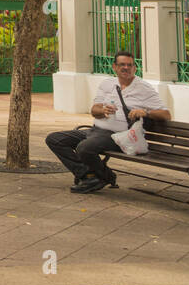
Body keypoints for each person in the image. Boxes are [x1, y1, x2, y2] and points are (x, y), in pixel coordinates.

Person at [45, 51, 169, 193]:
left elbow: (166, 114)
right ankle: (90, 176)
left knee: (84, 147)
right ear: (114, 67)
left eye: (130, 65)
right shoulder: (107, 84)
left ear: (135, 68)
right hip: (95, 131)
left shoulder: (144, 88)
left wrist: (145, 112)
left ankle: (101, 177)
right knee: (55, 139)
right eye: (122, 65)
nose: (126, 68)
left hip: (120, 136)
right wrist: (102, 110)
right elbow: (94, 110)